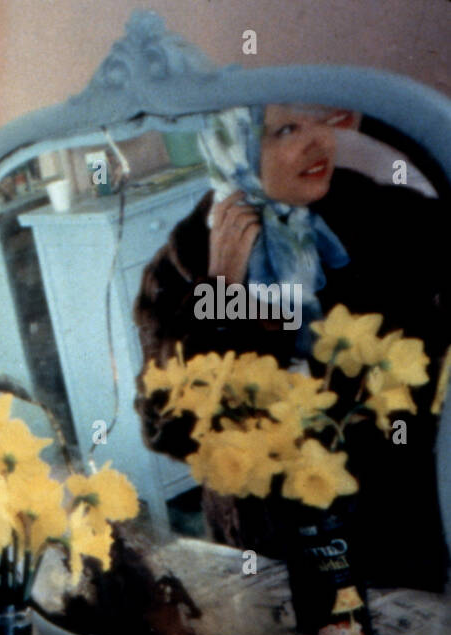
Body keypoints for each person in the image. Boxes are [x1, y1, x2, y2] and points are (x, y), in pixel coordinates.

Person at [134, 103, 450, 590]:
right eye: (286, 130)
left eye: (320, 121)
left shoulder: (367, 210)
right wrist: (219, 295)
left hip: (394, 524)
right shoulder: (188, 256)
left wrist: (378, 113)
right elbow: (168, 428)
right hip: (268, 540)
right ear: (233, 144)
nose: (318, 142)